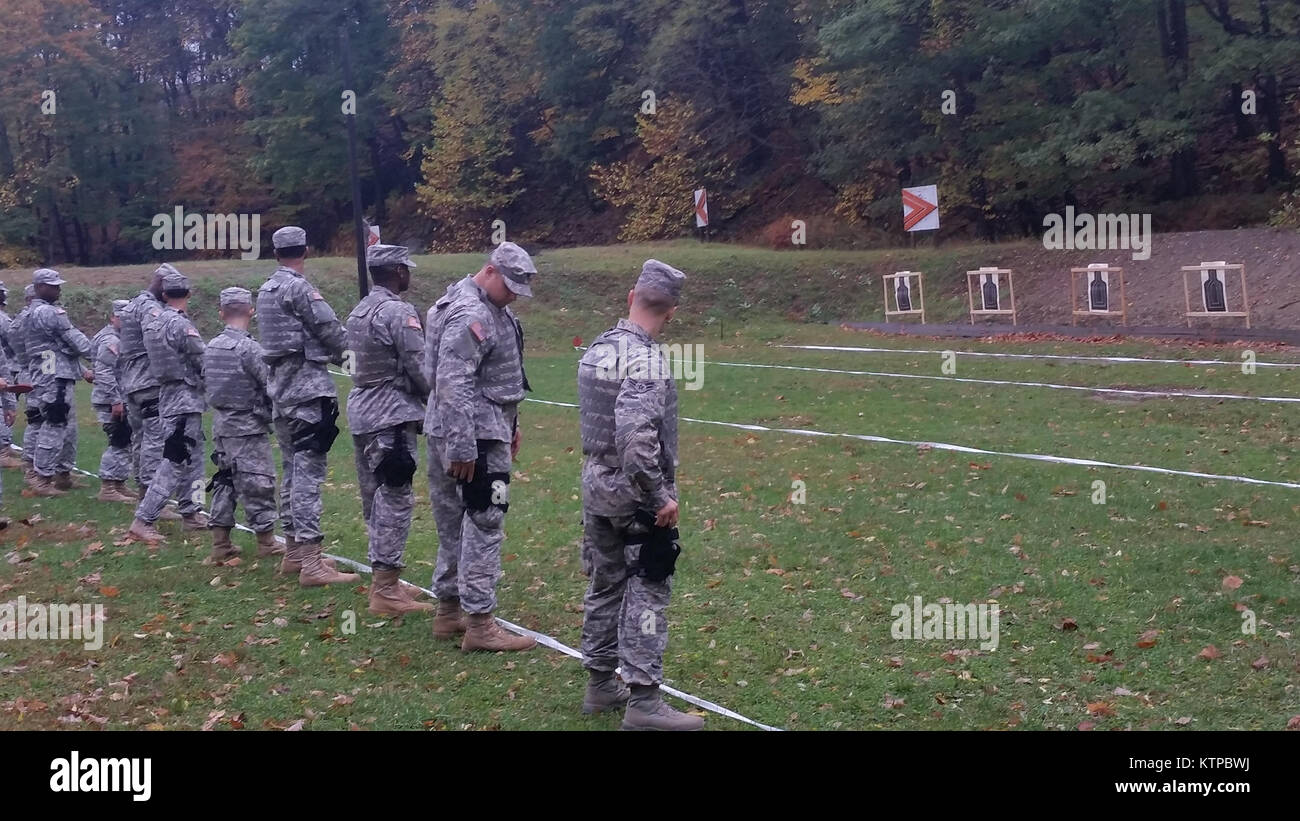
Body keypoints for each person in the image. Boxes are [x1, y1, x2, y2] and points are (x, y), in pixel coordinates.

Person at [576, 259, 702, 731]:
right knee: (649, 587)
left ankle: (600, 682)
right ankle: (644, 701)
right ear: (670, 312)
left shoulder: (598, 349)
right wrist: (657, 495)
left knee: (605, 584)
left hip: (596, 487)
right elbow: (634, 435)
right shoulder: (646, 360)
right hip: (632, 495)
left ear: (632, 296)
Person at [424, 242, 537, 652]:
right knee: (486, 522)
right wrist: (464, 444)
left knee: (454, 523)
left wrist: (512, 424)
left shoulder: (473, 304)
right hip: (474, 437)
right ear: (489, 271)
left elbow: (498, 376)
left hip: (473, 430)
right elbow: (454, 380)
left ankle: (449, 611)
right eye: (509, 287)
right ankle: (481, 624)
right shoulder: (473, 314)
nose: (512, 296)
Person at [256, 226, 355, 586]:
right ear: (306, 250)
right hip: (306, 390)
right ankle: (311, 562)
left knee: (292, 470)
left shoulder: (266, 289)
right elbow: (331, 332)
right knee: (307, 475)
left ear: (276, 251)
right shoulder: (299, 288)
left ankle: (295, 553)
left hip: (281, 391)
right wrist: (360, 364)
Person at [346, 244, 433, 615]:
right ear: (397, 271)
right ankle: (385, 588)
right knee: (395, 498)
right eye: (406, 269)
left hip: (363, 411)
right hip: (391, 417)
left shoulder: (358, 311)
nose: (409, 275)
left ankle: (387, 581)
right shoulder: (399, 312)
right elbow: (420, 367)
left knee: (374, 498)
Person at [203, 287, 283, 565]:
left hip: (221, 424)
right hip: (247, 426)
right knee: (258, 481)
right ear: (251, 311)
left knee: (225, 480)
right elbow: (271, 386)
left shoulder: (211, 346)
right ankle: (266, 542)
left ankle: (220, 544)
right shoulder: (250, 349)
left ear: (222, 313)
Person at [127, 270, 208, 543]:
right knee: (175, 461)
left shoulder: (153, 324)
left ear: (163, 294)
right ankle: (144, 518)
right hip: (185, 399)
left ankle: (192, 510)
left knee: (193, 459)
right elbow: (203, 359)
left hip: (170, 397)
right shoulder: (180, 325)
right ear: (189, 294)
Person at [23, 268, 93, 497]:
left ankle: (62, 475)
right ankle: (43, 479)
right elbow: (73, 339)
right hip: (54, 377)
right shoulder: (49, 312)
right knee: (54, 424)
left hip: (54, 372)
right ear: (40, 287)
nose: (58, 288)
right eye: (53, 285)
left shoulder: (30, 313)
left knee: (67, 426)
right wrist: (97, 356)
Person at [119, 265, 181, 518]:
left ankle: (144, 492)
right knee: (155, 440)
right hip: (148, 381)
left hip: (132, 382)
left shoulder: (133, 304)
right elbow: (161, 339)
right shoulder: (150, 309)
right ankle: (152, 497)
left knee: (141, 438)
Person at [89, 300, 137, 503]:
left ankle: (118, 483)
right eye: (121, 318)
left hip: (116, 397)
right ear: (113, 317)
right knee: (119, 441)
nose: (126, 323)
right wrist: (115, 400)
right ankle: (108, 487)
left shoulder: (114, 337)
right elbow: (104, 371)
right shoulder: (112, 340)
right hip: (112, 399)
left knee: (125, 440)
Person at [10, 285, 38, 480]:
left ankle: (37, 464)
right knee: (37, 420)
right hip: (32, 372)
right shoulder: (27, 320)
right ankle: (30, 465)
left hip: (35, 370)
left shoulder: (24, 319)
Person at [0, 281, 22, 469]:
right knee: (4, 407)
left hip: (5, 365)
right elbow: (15, 341)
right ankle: (3, 449)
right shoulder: (3, 319)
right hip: (9, 366)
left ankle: (5, 445)